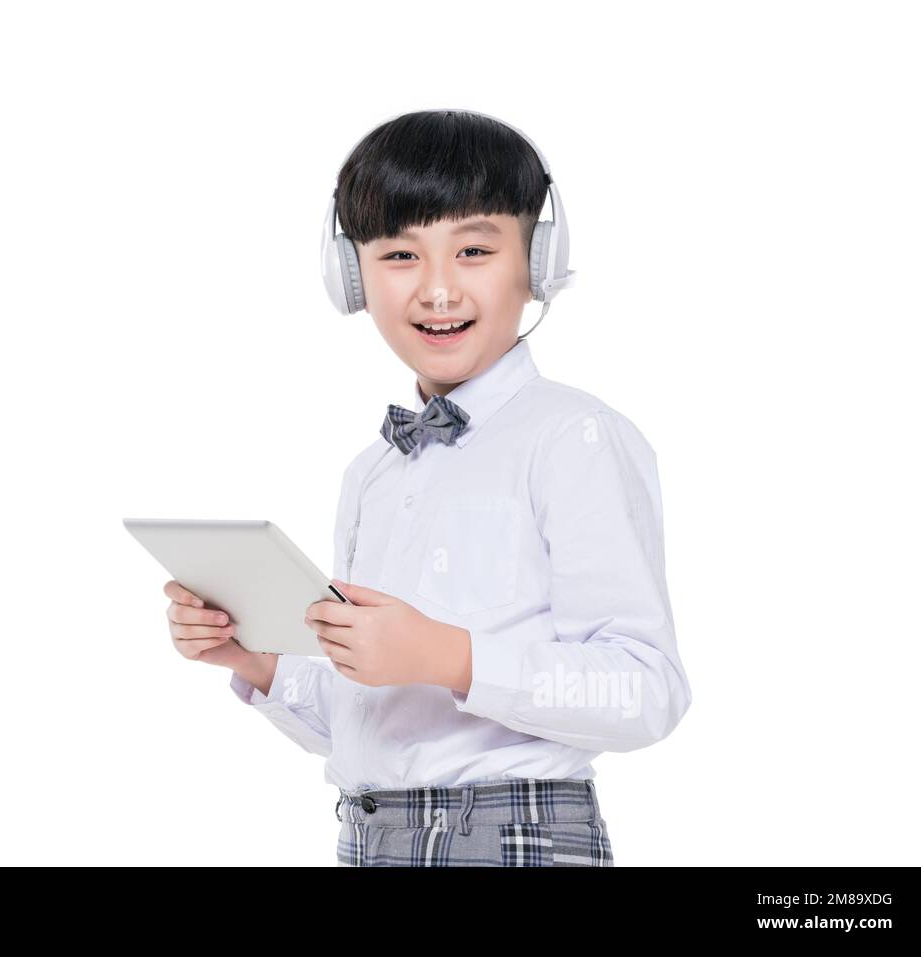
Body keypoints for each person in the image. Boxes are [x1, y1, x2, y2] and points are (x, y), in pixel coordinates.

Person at [164, 109, 691, 866]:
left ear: (537, 262)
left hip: (516, 836)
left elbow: (647, 691)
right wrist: (256, 659)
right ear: (352, 278)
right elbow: (371, 727)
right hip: (372, 836)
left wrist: (448, 655)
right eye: (400, 255)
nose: (438, 289)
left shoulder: (573, 437)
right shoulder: (372, 473)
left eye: (475, 248)